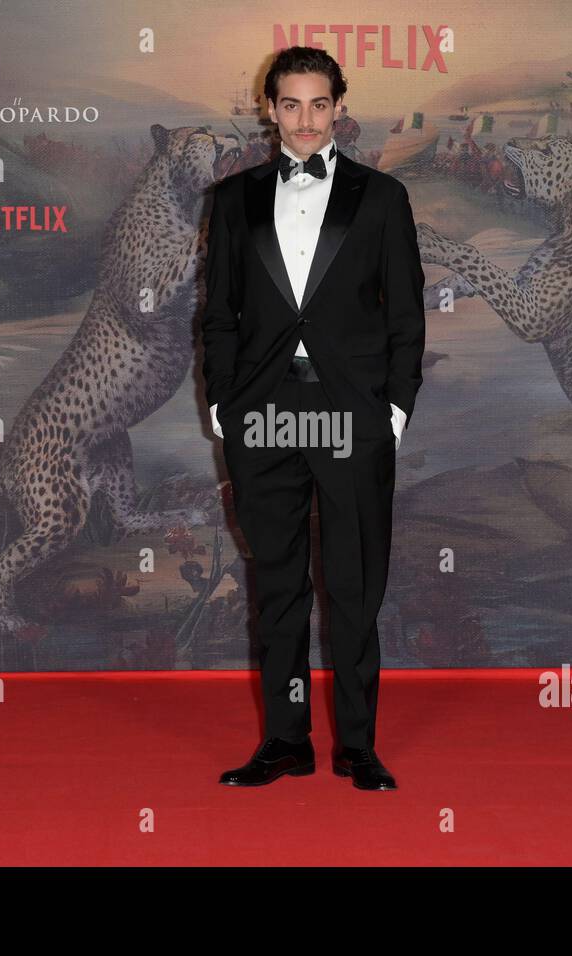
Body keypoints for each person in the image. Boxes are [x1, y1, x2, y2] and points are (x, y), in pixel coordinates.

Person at [201, 46, 425, 791]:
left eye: (318, 104)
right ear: (269, 108)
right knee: (278, 587)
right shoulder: (231, 201)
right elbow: (220, 315)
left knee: (356, 588)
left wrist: (392, 411)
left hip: (351, 414)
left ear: (339, 108)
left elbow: (407, 316)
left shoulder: (383, 198)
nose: (304, 120)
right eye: (290, 104)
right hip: (264, 415)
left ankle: (357, 746)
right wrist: (223, 403)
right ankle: (286, 740)